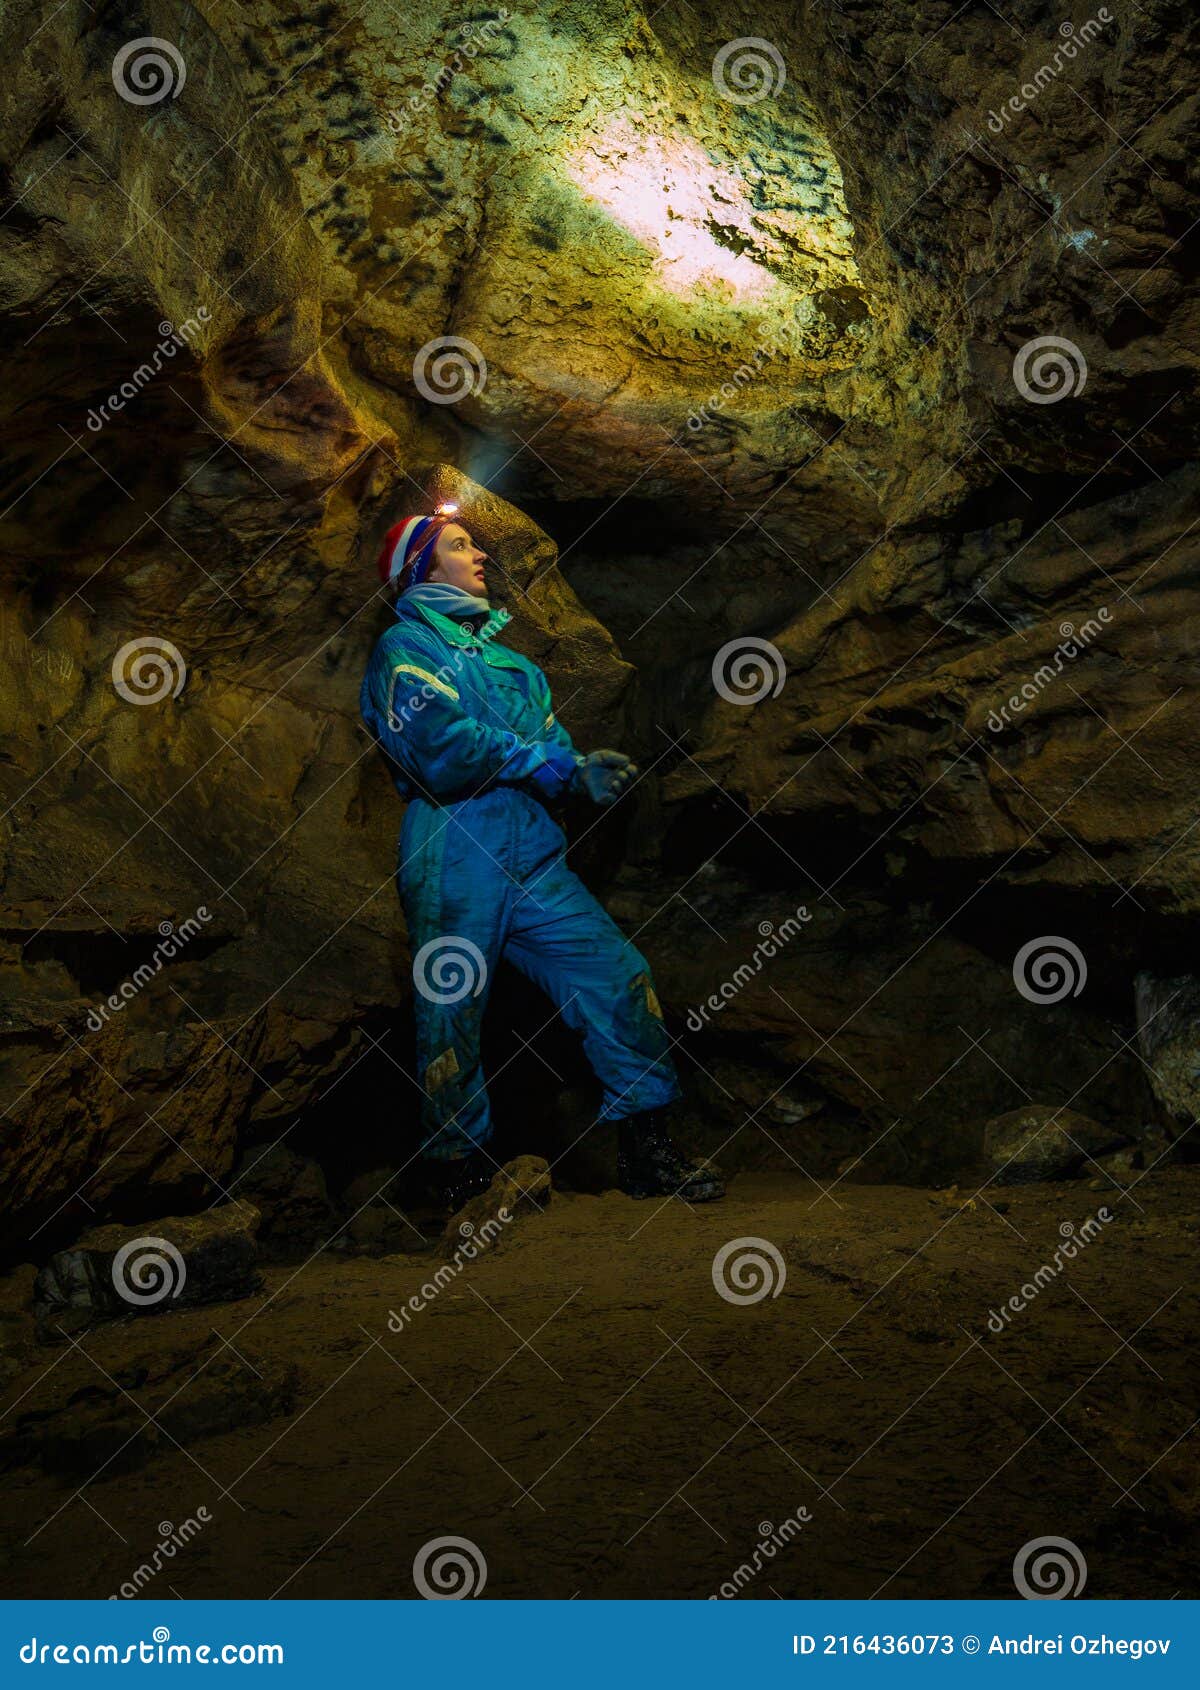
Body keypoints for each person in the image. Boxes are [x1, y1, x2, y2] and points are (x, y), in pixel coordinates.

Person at [359, 502, 724, 1211]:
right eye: (462, 546)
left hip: (533, 853)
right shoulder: (404, 651)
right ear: (421, 567)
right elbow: (442, 751)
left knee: (618, 973)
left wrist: (580, 768)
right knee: (451, 1009)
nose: (481, 557)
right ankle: (455, 1175)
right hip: (454, 845)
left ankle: (648, 1150)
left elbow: (554, 751)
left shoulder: (515, 666)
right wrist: (551, 765)